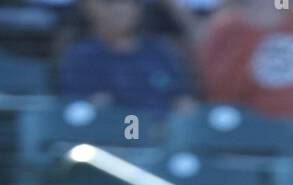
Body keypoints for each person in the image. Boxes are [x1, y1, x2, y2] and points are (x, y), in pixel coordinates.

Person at [57, 0, 195, 113]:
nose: (122, 8)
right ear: (90, 7)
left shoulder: (160, 52)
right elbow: (83, 111)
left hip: (166, 138)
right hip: (112, 139)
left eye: (130, 2)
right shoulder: (81, 57)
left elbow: (184, 100)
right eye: (111, 2)